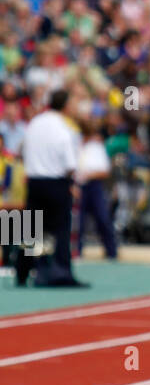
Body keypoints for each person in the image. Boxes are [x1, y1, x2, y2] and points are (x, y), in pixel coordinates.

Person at [19, 90, 89, 288]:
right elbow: (70, 165)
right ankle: (59, 273)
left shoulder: (34, 123)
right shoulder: (64, 128)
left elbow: (23, 150)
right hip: (56, 182)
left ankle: (24, 271)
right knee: (59, 229)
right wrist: (72, 184)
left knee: (32, 229)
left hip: (34, 181)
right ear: (66, 105)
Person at [76, 115, 117, 260]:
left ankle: (112, 251)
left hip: (93, 187)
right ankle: (76, 252)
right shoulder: (75, 145)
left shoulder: (96, 147)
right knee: (78, 222)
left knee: (103, 218)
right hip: (77, 187)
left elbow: (104, 171)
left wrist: (89, 175)